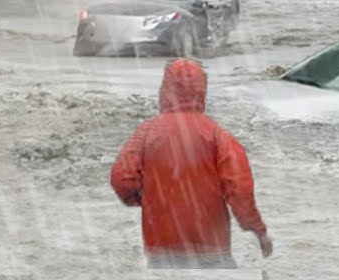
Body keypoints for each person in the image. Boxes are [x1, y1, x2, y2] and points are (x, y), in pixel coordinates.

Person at [110, 59, 272, 269]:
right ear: (202, 91)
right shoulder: (216, 135)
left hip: (161, 249)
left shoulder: (146, 133)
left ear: (164, 90)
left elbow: (121, 178)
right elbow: (239, 188)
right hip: (211, 248)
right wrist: (257, 229)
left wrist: (145, 199)